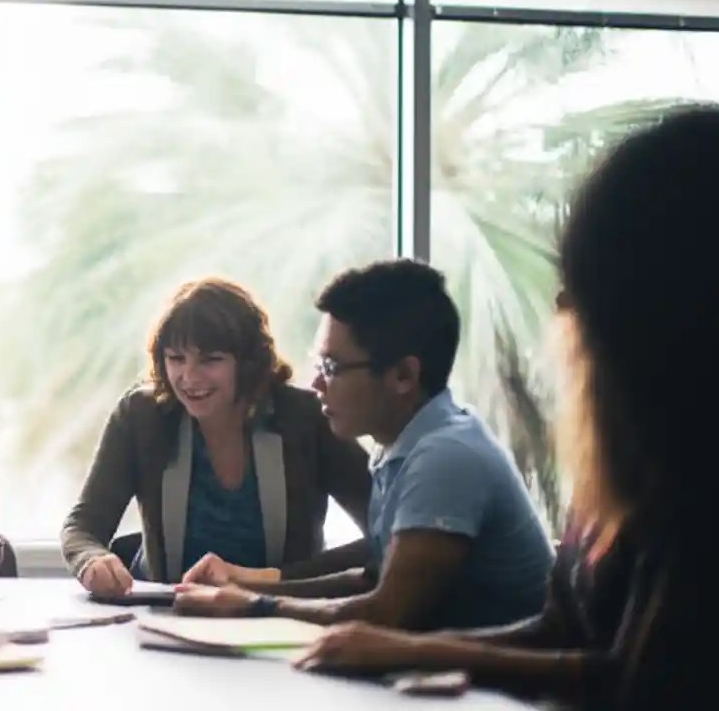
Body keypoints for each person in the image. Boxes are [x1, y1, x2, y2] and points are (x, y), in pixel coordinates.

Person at [234, 107, 719, 709]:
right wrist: (261, 589)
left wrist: (266, 603)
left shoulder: (447, 455)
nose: (562, 310)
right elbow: (558, 631)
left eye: (589, 294)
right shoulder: (619, 479)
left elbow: (626, 679)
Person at [177, 261, 554, 631]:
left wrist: (257, 606)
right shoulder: (402, 447)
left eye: (331, 368)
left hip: (505, 691)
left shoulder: (445, 457)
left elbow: (386, 613)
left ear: (404, 376)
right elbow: (371, 578)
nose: (316, 386)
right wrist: (246, 586)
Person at [63, 278, 372, 595]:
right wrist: (92, 560)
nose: (190, 378)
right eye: (176, 359)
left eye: (211, 360)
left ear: (249, 362)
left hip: (277, 614)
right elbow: (83, 526)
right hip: (167, 613)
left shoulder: (304, 418)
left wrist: (266, 580)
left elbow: (387, 533)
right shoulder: (142, 416)